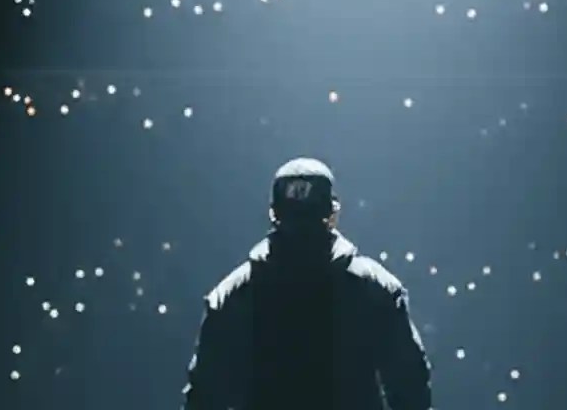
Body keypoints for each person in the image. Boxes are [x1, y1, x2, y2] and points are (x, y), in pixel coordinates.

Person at [182, 157, 433, 410]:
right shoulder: (375, 288)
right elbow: (410, 388)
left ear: (273, 213)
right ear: (333, 212)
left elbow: (204, 396)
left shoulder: (233, 294)